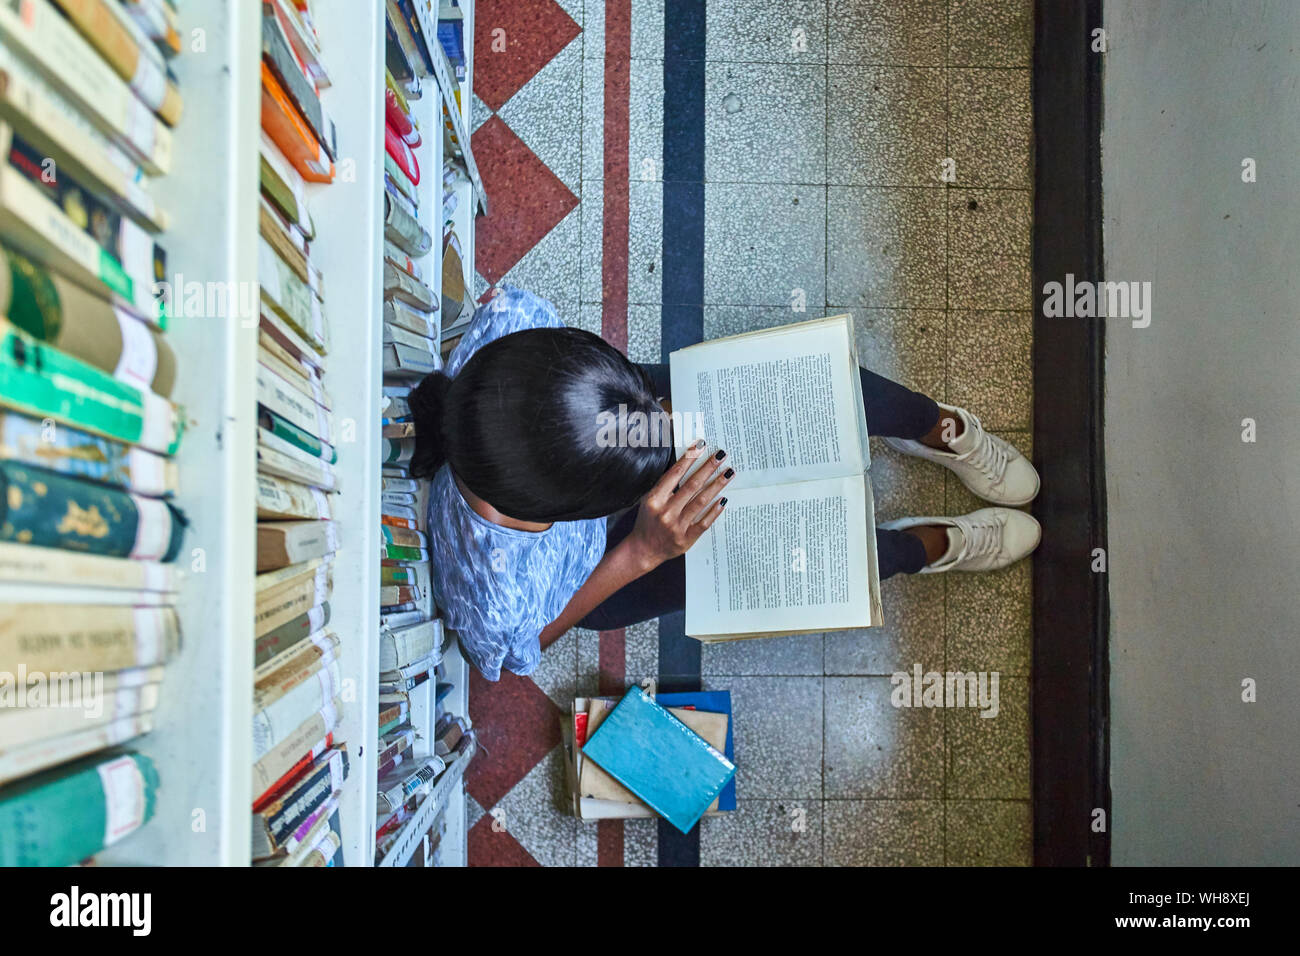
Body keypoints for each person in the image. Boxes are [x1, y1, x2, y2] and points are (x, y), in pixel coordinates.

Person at [411, 288, 1040, 681]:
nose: (662, 437)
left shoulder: (514, 323)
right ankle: (922, 546)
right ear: (564, 513)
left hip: (610, 417)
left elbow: (625, 419)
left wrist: (654, 415)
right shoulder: (494, 592)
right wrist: (640, 554)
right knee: (784, 563)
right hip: (603, 567)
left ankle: (934, 428)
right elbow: (524, 647)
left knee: (803, 392)